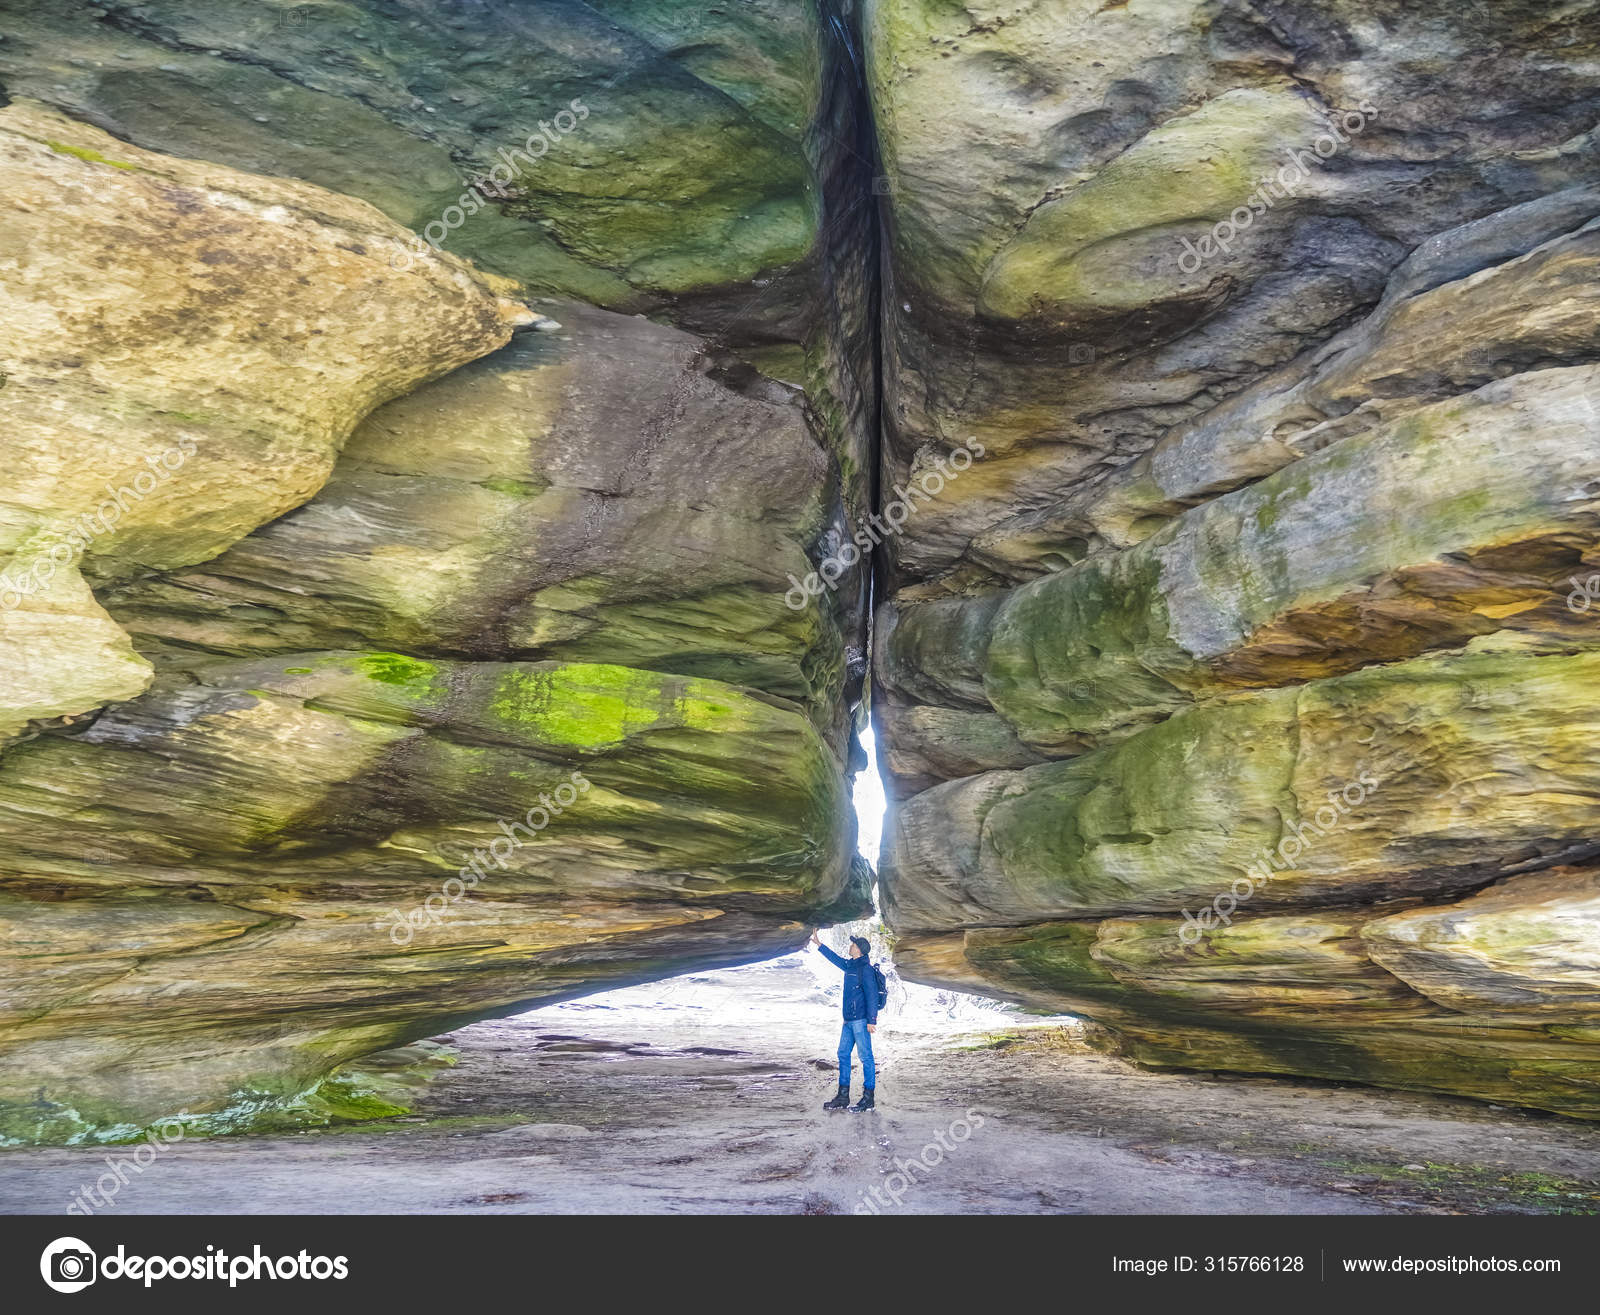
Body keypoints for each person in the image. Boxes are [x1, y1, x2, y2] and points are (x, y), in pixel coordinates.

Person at [809, 928, 879, 1111]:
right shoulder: (851, 965)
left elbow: (872, 996)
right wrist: (819, 945)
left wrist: (872, 1020)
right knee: (842, 1054)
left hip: (861, 1021)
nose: (850, 946)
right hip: (848, 1021)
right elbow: (836, 960)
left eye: (853, 944)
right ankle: (842, 1097)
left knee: (866, 1057)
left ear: (859, 949)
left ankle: (868, 1099)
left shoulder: (866, 969)